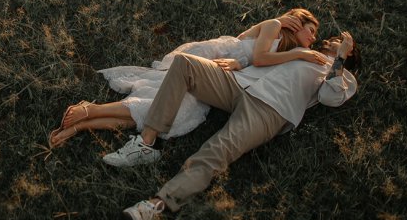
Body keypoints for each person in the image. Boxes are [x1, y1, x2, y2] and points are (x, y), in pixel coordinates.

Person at [111, 30, 361, 220]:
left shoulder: (344, 77)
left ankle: (155, 205)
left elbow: (330, 97)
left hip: (269, 110)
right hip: (238, 82)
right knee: (185, 63)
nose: (331, 39)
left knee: (216, 151)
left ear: (348, 53)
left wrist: (339, 58)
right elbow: (263, 57)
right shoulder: (301, 50)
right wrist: (241, 62)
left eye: (339, 41)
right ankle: (147, 143)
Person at [48, 8, 320, 148]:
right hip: (211, 57)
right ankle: (91, 110)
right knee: (165, 100)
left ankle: (83, 124)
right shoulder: (275, 26)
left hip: (222, 70)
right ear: (298, 21)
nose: (313, 39)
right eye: (312, 31)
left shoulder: (286, 51)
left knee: (172, 115)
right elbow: (257, 55)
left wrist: (246, 62)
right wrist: (300, 55)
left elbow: (255, 63)